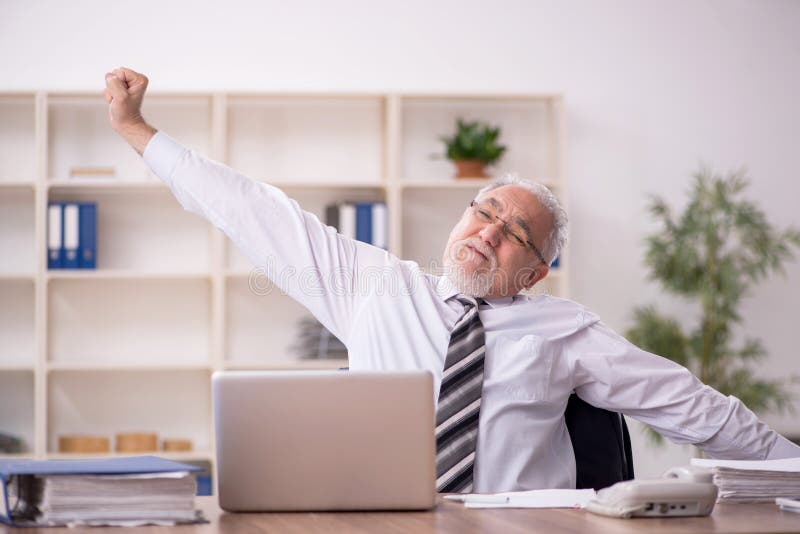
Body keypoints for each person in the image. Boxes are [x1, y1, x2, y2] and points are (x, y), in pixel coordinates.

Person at [104, 67, 800, 493]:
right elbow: (250, 210)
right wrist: (138, 130)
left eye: (515, 235)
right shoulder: (373, 286)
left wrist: (789, 468)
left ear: (535, 270)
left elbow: (690, 405)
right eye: (485, 212)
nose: (489, 234)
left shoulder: (566, 330)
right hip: (390, 522)